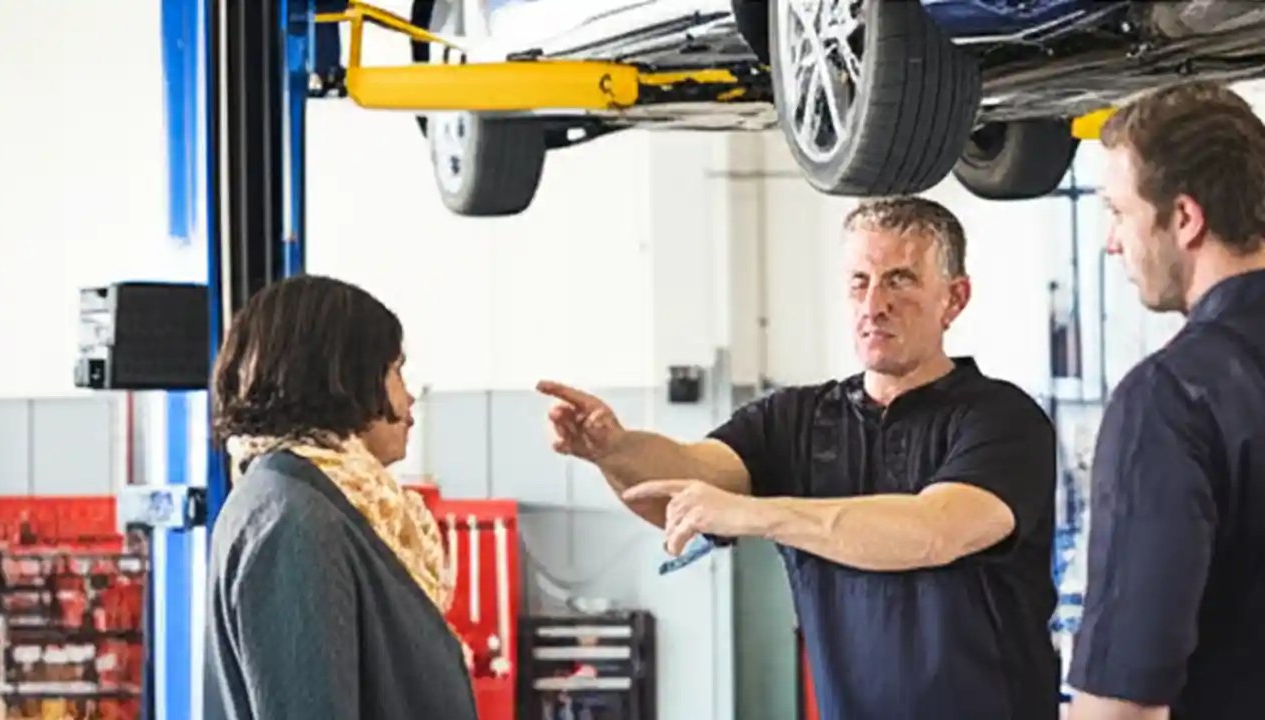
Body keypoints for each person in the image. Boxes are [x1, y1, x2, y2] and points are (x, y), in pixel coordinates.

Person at [538, 196, 1061, 720]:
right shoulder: (796, 418)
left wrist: (758, 514)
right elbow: (687, 483)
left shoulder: (1002, 420)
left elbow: (934, 530)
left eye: (899, 281)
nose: (873, 304)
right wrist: (614, 449)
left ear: (955, 298)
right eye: (859, 281)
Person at [1066, 80, 1265, 720]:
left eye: (1118, 212)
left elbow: (1122, 702)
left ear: (1184, 218)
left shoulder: (1170, 399)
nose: (1111, 242)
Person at [203, 275, 478, 720]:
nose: (408, 398)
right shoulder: (294, 519)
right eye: (395, 370)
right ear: (341, 375)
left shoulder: (311, 499)